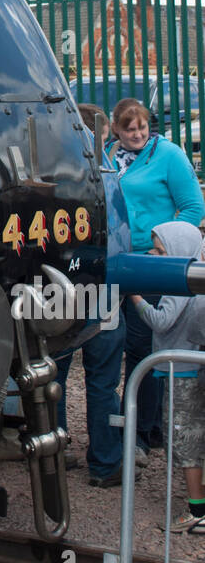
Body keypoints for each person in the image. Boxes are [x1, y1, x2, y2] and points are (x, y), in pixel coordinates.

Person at [108, 97, 205, 463]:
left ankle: (143, 432)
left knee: (143, 344)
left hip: (149, 261)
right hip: (115, 258)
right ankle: (130, 424)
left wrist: (163, 244)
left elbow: (194, 206)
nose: (137, 134)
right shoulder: (108, 157)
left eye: (142, 127)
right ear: (116, 129)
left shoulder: (167, 155)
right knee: (110, 345)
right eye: (129, 129)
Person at [54, 104, 125, 486]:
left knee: (55, 379)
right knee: (102, 381)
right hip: (105, 292)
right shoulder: (106, 177)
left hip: (60, 291)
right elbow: (120, 236)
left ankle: (57, 448)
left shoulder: (48, 174)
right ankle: (105, 463)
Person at [127, 221, 205, 533]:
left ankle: (197, 511)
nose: (152, 253)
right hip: (191, 366)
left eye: (160, 250)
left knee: (184, 440)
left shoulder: (180, 285)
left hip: (180, 370)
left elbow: (161, 322)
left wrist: (134, 297)